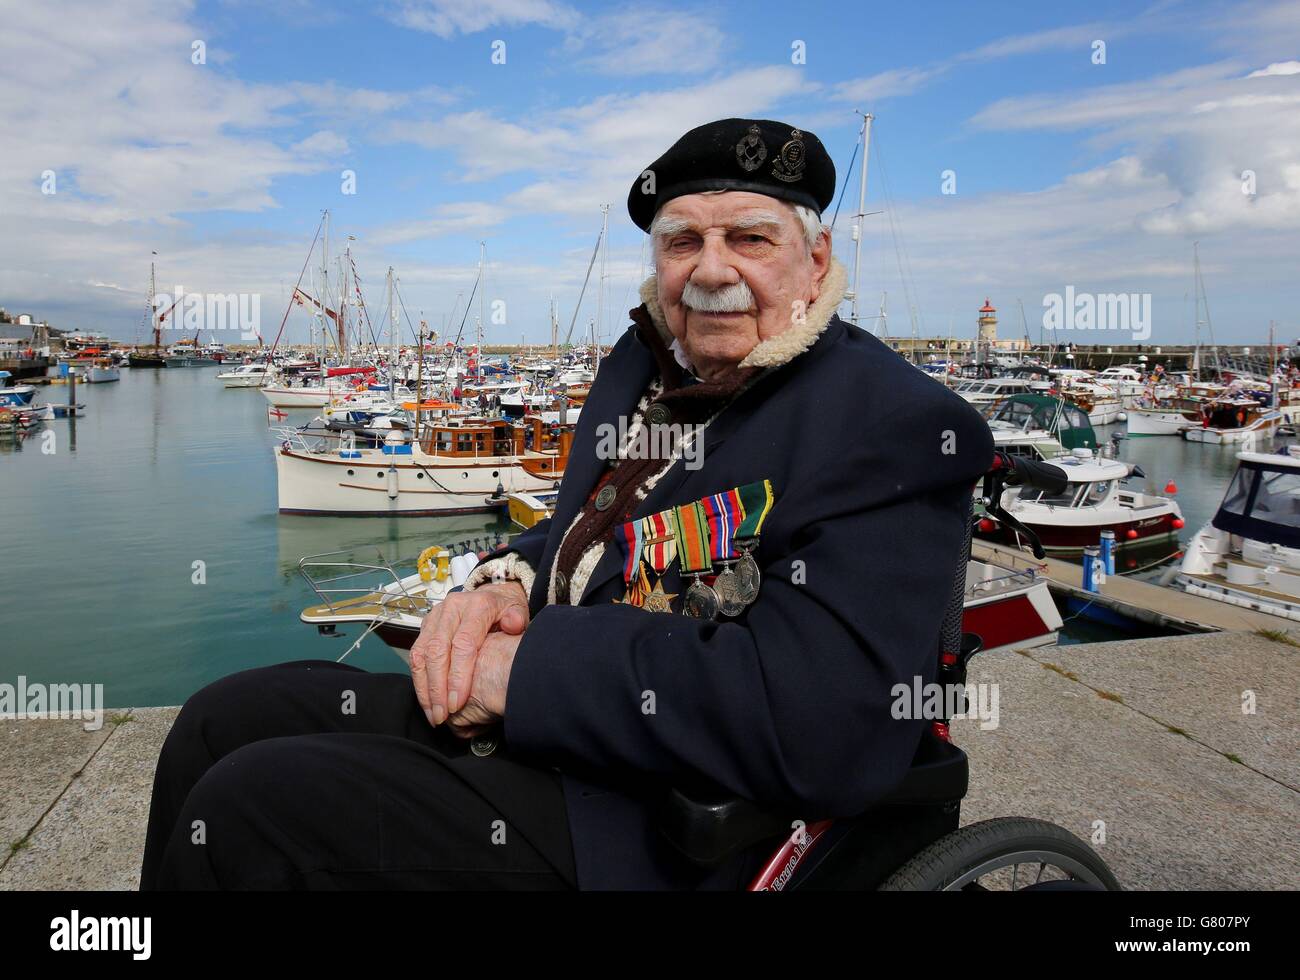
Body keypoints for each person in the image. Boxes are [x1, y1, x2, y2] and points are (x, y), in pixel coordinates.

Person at [141, 118, 993, 891]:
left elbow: (825, 721)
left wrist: (526, 675)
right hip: (553, 733)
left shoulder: (891, 424)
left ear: (815, 257)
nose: (711, 269)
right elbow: (585, 534)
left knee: (257, 811)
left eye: (750, 237)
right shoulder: (647, 369)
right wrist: (504, 587)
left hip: (668, 819)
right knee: (222, 721)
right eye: (683, 240)